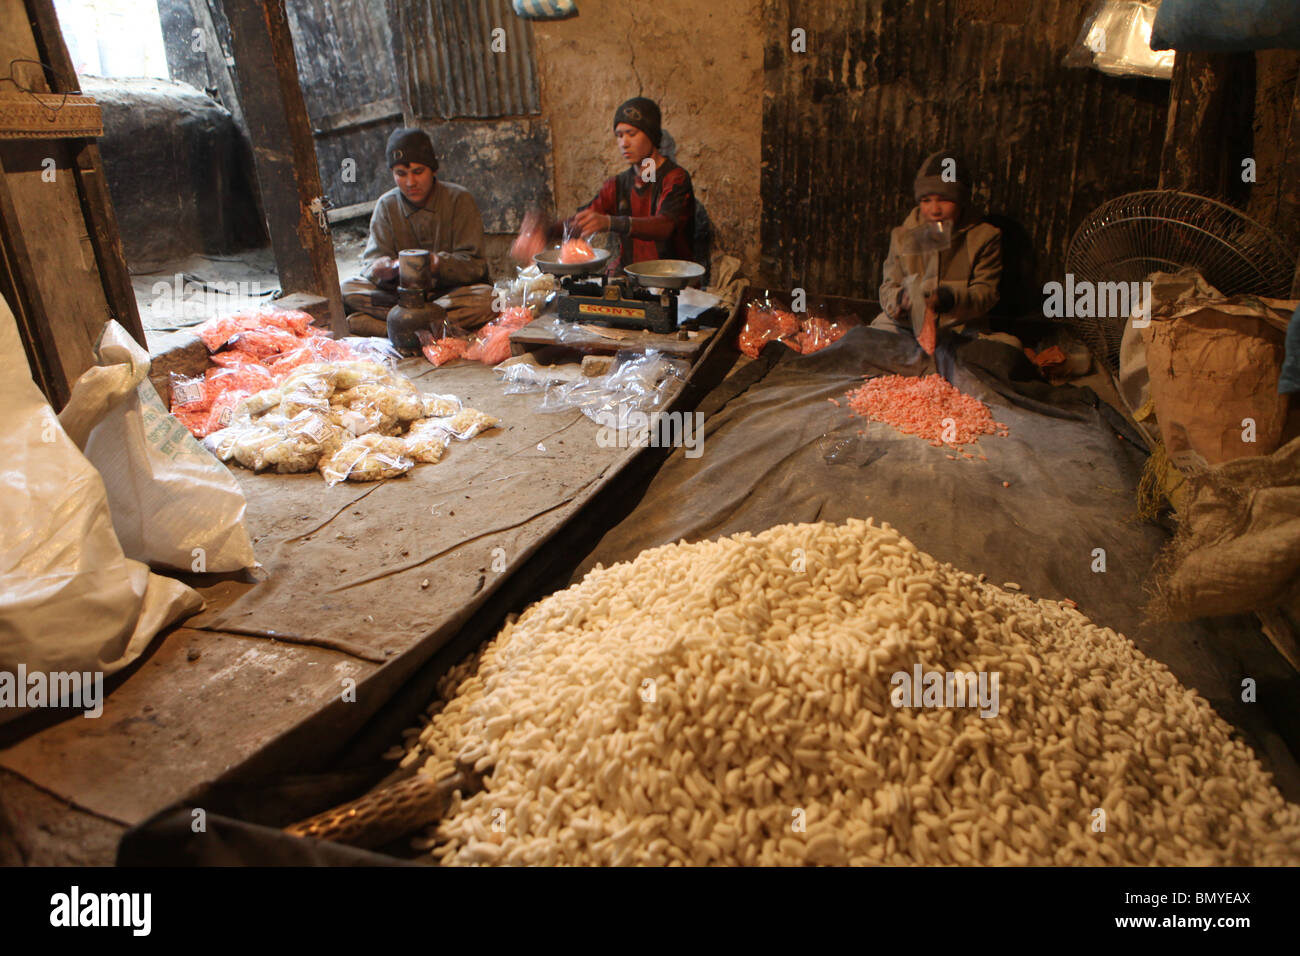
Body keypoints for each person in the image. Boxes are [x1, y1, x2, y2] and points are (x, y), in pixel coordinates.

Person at [513, 97, 697, 275]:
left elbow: (665, 226)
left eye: (632, 134)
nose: (624, 143)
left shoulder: (675, 178)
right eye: (619, 135)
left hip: (675, 282)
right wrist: (544, 229)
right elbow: (585, 221)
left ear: (651, 135)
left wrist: (610, 222)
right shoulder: (617, 185)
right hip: (631, 280)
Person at [341, 128, 488, 336]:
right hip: (401, 300)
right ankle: (432, 331)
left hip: (446, 296)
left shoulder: (459, 200)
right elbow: (369, 267)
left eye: (418, 172)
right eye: (401, 174)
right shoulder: (386, 205)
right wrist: (381, 269)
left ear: (433, 170)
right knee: (347, 290)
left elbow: (477, 267)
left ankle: (395, 330)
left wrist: (438, 263)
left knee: (488, 299)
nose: (410, 183)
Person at [873, 150, 1002, 352]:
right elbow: (887, 288)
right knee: (864, 341)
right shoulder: (903, 236)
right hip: (906, 327)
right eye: (926, 201)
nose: (934, 210)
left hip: (960, 329)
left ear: (961, 201)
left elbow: (986, 293)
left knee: (1005, 351)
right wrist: (901, 299)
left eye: (944, 199)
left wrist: (949, 299)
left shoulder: (984, 237)